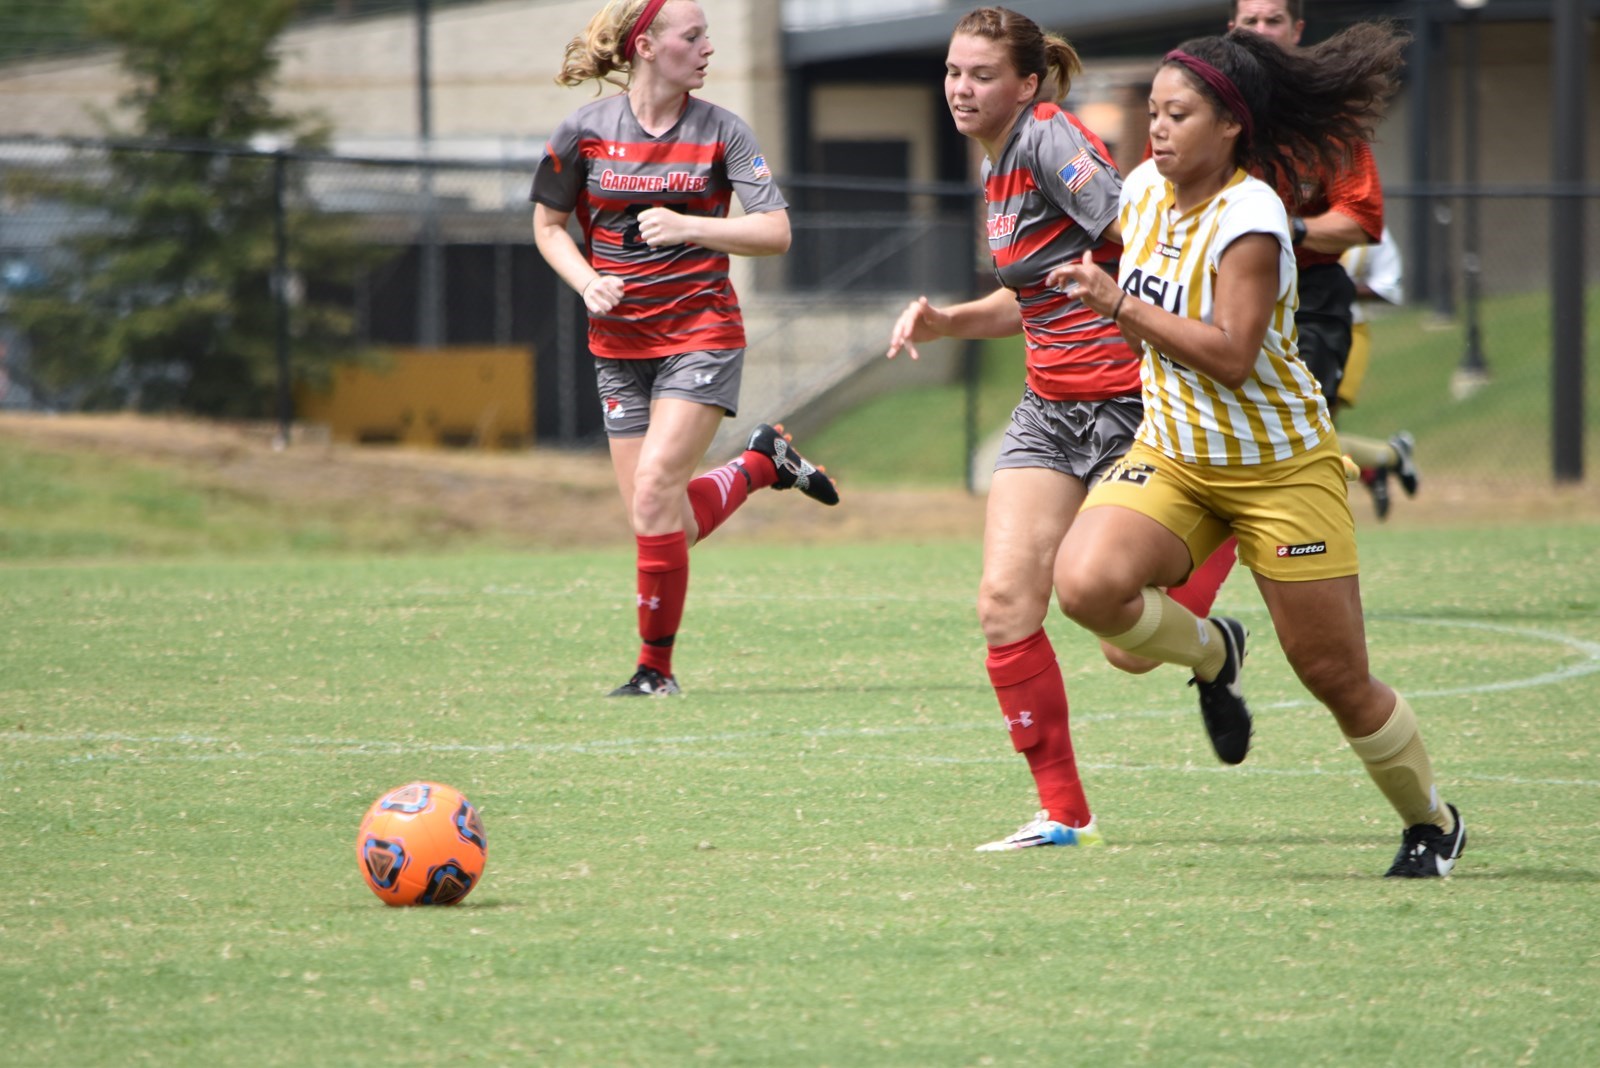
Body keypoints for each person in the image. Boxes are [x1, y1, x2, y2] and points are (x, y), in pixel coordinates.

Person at [1049, 24, 1467, 877]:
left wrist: (1117, 304)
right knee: (1086, 586)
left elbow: (1232, 355)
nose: (1157, 129)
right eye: (1153, 112)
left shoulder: (1252, 216)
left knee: (1334, 677)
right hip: (1176, 456)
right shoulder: (1142, 192)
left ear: (1232, 125)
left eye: (1178, 115)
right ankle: (1216, 654)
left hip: (1279, 470)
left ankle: (1432, 821)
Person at [885, 7, 1236, 853]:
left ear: (1026, 84)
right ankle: (1064, 815)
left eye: (981, 75)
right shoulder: (998, 162)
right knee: (1004, 603)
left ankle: (1218, 592)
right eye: (953, 72)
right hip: (1049, 413)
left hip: (1132, 410)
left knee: (1129, 650)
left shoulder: (1049, 140)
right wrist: (948, 321)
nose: (961, 89)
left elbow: (1141, 236)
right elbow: (1036, 298)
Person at [531, 0, 838, 697]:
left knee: (654, 494)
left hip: (701, 335)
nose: (707, 49)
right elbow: (548, 227)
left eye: (708, 36)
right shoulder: (583, 131)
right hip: (618, 345)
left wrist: (691, 226)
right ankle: (760, 464)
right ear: (646, 45)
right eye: (693, 36)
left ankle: (654, 672)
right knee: (658, 516)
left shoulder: (724, 131)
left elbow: (776, 231)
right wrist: (586, 281)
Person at [1230, 0, 1418, 518]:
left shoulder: (1328, 122)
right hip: (1219, 295)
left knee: (1299, 438)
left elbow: (1361, 220)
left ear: (1297, 30)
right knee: (1225, 441)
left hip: (1310, 298)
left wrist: (1285, 228)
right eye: (1251, 20)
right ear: (1232, 29)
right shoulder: (1205, 107)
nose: (1262, 30)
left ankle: (1312, 548)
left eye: (1273, 20)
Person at [1338, 227, 1413, 518]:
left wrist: (1333, 287)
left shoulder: (1361, 220)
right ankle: (1387, 458)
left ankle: (1387, 458)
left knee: (1312, 436)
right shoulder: (1279, 209)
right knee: (1309, 438)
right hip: (1285, 333)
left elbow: (1389, 285)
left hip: (1344, 332)